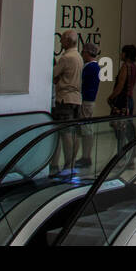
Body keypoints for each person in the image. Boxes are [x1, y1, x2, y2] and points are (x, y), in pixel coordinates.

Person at [51, 31, 83, 177]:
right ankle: (71, 163)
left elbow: (53, 75)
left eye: (63, 40)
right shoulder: (78, 57)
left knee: (65, 134)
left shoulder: (66, 58)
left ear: (69, 41)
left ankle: (67, 164)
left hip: (65, 99)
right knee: (73, 133)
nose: (61, 42)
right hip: (76, 99)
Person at [108, 45, 136, 172]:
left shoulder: (125, 67)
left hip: (122, 102)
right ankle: (130, 158)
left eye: (122, 53)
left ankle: (122, 159)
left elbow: (120, 85)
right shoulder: (134, 67)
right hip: (129, 101)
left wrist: (111, 97)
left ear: (126, 54)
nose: (121, 54)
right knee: (128, 130)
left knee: (120, 132)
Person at [77, 42, 102, 168]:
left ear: (87, 53)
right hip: (89, 100)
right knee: (87, 129)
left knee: (86, 130)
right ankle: (86, 155)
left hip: (86, 101)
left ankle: (86, 156)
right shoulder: (95, 67)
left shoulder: (90, 67)